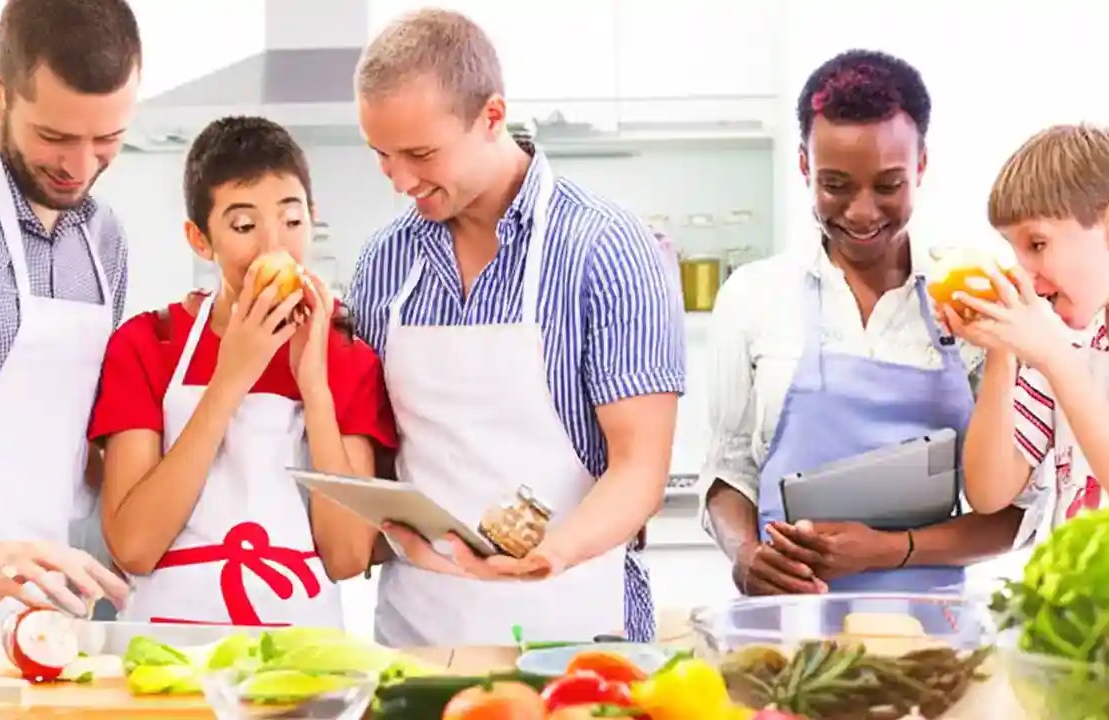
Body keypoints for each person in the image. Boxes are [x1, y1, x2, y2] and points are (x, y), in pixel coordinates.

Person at [348, 8, 685, 647]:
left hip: (578, 631)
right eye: (381, 156)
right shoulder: (383, 259)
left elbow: (641, 466)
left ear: (492, 117)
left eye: (420, 154)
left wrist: (554, 552)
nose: (400, 180)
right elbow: (381, 450)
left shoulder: (606, 246)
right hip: (420, 638)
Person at [700, 50, 1024, 598]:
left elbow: (1018, 513)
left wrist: (889, 550)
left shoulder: (979, 299)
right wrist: (746, 557)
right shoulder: (754, 296)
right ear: (805, 166)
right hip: (785, 622)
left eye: (888, 185)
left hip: (932, 634)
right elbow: (728, 472)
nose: (862, 211)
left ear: (921, 166)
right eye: (836, 185)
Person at [88, 117, 398, 627]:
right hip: (170, 647)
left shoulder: (349, 356)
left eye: (292, 222)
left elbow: (345, 557)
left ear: (313, 217)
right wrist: (231, 378)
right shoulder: (146, 344)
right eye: (244, 227)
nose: (273, 248)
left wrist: (314, 386)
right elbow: (134, 548)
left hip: (303, 654)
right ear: (199, 238)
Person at [0, 0, 141, 622]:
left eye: (107, 140)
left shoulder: (105, 243)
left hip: (40, 627)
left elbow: (82, 447)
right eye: (55, 137)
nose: (80, 166)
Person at [947, 124, 1109, 544]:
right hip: (1079, 603)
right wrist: (1001, 353)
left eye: (1037, 244)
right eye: (1014, 250)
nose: (1024, 272)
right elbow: (988, 492)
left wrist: (1056, 358)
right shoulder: (1065, 332)